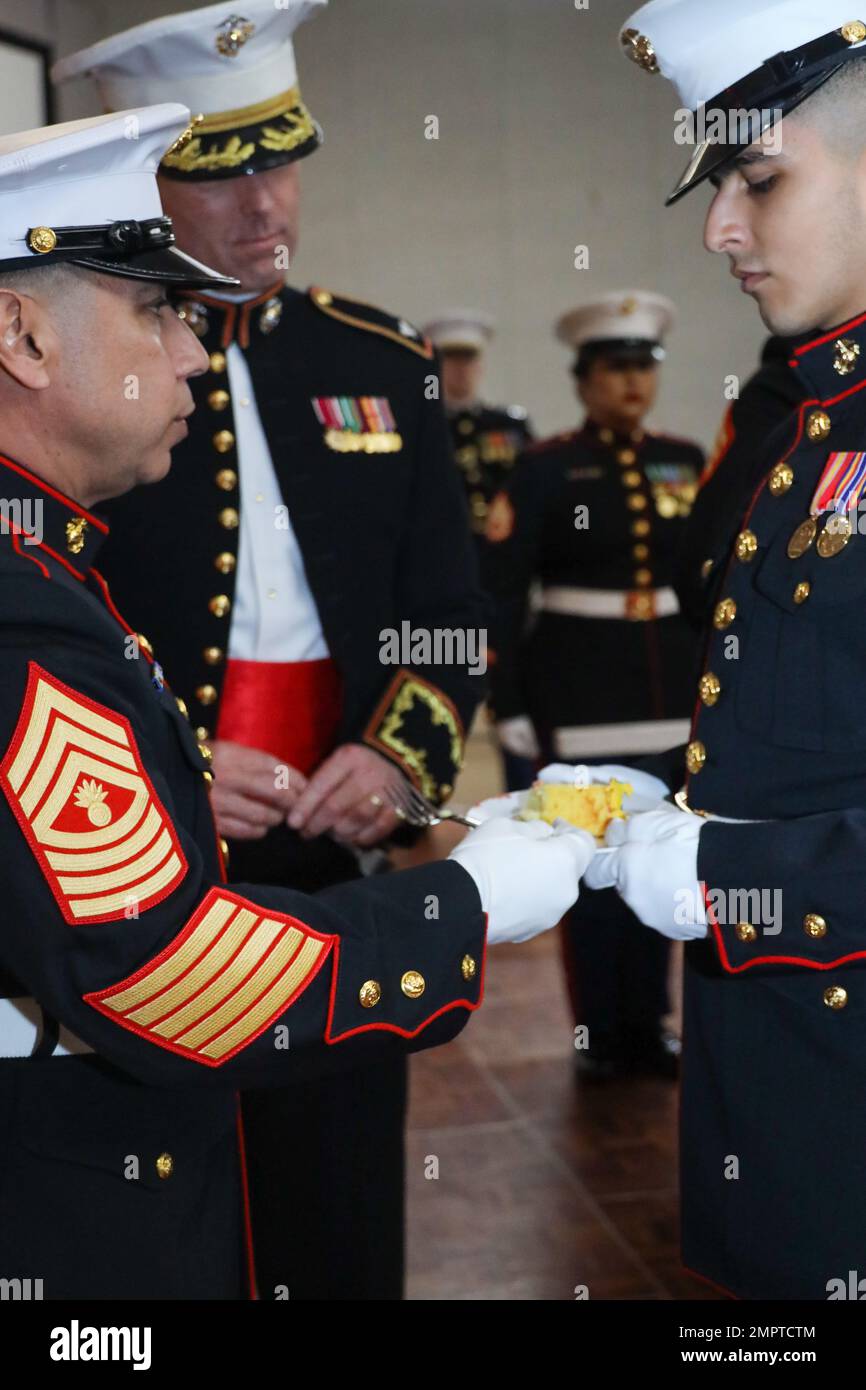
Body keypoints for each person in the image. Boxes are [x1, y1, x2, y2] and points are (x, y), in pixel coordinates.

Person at [0, 103, 596, 1300]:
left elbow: (446, 610)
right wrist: (469, 900)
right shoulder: (28, 616)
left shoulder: (48, 564)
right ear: (22, 334)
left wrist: (399, 771)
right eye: (156, 309)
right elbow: (153, 976)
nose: (189, 351)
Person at [53, 0, 488, 1300]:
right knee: (168, 1192)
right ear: (153, 186)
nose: (264, 206)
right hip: (146, 868)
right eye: (221, 170)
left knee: (341, 1196)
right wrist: (179, 759)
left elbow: (448, 615)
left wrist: (394, 761)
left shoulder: (383, 358)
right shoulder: (95, 382)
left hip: (337, 854)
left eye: (281, 159)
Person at [587, 0, 866, 1297]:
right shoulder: (807, 414)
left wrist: (734, 877)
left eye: (757, 179)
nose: (718, 228)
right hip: (786, 1091)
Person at [484, 292, 704, 1078]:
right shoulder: (543, 469)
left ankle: (651, 1025)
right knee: (589, 870)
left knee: (662, 859)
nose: (632, 385)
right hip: (577, 699)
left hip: (669, 693)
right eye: (615, 371)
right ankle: (601, 1035)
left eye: (644, 368)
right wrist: (506, 701)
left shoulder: (684, 458)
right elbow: (502, 591)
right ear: (583, 382)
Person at [423, 308, 535, 791]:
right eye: (450, 360)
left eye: (468, 360)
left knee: (511, 697)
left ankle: (518, 791)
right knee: (444, 685)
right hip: (440, 583)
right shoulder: (419, 427)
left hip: (502, 584)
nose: (460, 370)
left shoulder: (509, 427)